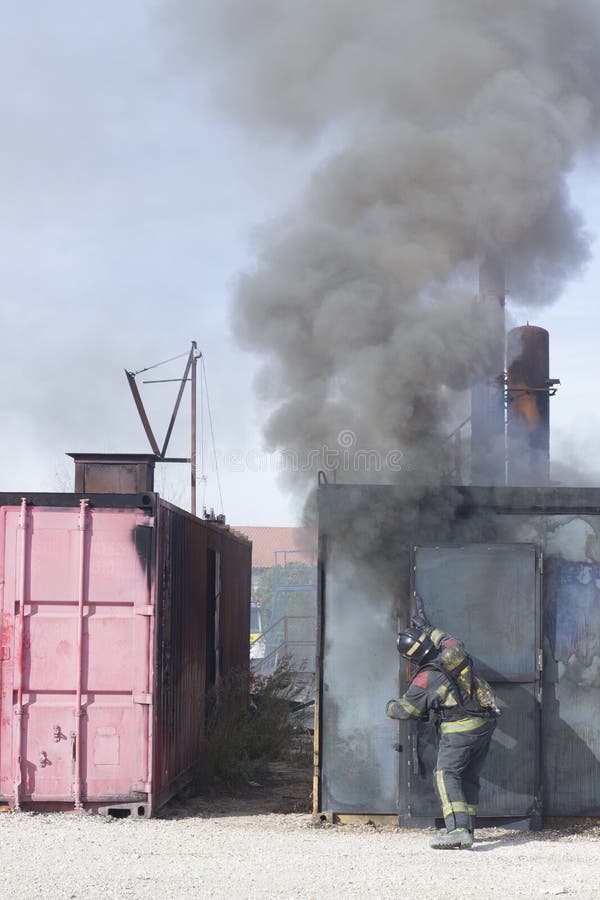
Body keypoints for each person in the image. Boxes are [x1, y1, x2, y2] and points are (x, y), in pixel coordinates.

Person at [386, 610, 499, 850]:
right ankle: (467, 826)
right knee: (468, 776)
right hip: (485, 724)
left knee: (445, 774)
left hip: (460, 729)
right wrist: (427, 627)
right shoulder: (454, 651)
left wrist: (389, 707)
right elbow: (446, 638)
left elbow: (406, 710)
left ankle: (457, 830)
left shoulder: (425, 678)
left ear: (410, 658)